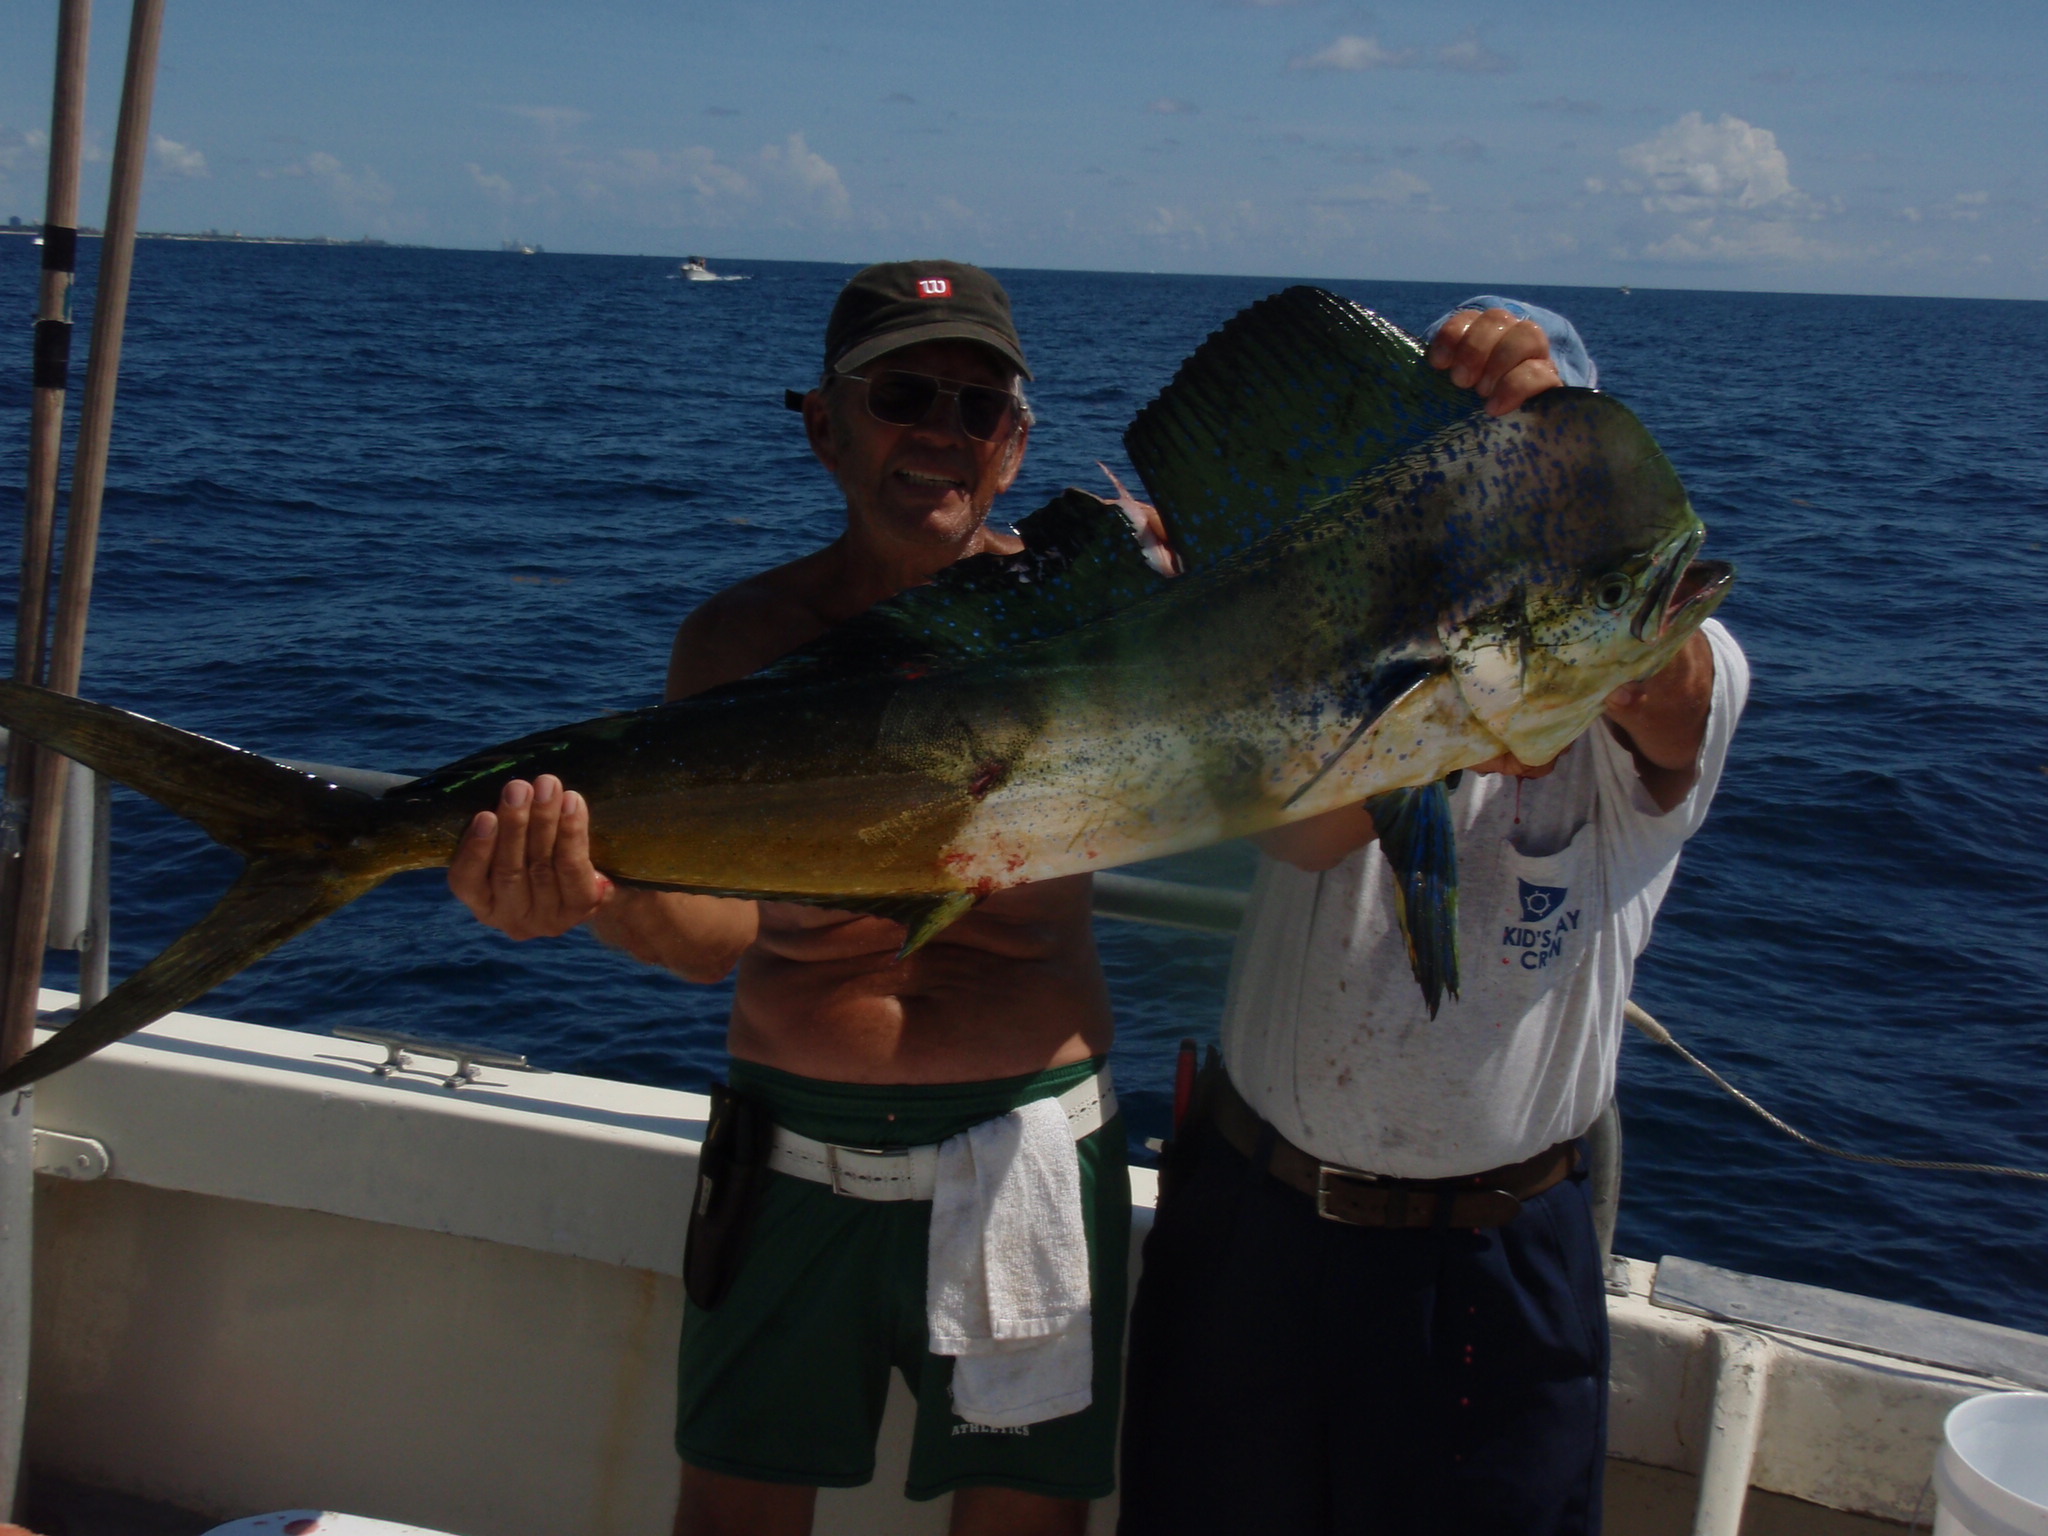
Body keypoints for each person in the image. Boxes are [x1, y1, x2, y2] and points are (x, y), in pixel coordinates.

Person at [448, 262, 1125, 1536]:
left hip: (1027, 1144)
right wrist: (588, 894)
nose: (941, 431)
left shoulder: (1096, 622)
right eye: (904, 393)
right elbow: (708, 939)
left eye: (977, 408)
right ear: (825, 424)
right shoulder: (736, 642)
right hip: (792, 1155)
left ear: (1016, 446)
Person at [1118, 299, 1750, 1536]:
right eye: (1483, 489)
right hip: (1250, 1230)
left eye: (1557, 488)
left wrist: (1549, 452)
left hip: (1492, 1272)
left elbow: (1673, 691)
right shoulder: (1341, 643)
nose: (1517, 522)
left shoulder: (1670, 660)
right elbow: (1295, 833)